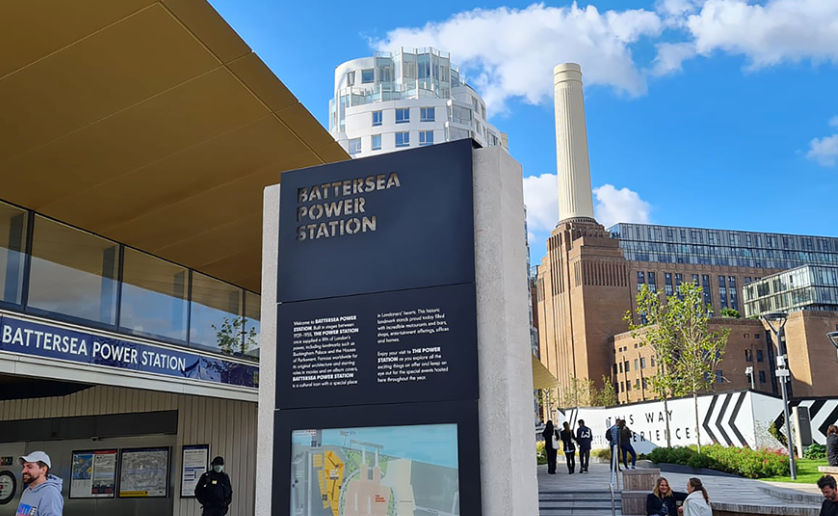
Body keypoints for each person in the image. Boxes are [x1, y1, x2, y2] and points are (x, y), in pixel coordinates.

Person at [17, 451, 63, 516]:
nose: (23, 471)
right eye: (24, 467)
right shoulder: (27, 491)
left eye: (29, 467)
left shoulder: (50, 493)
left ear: (43, 469)